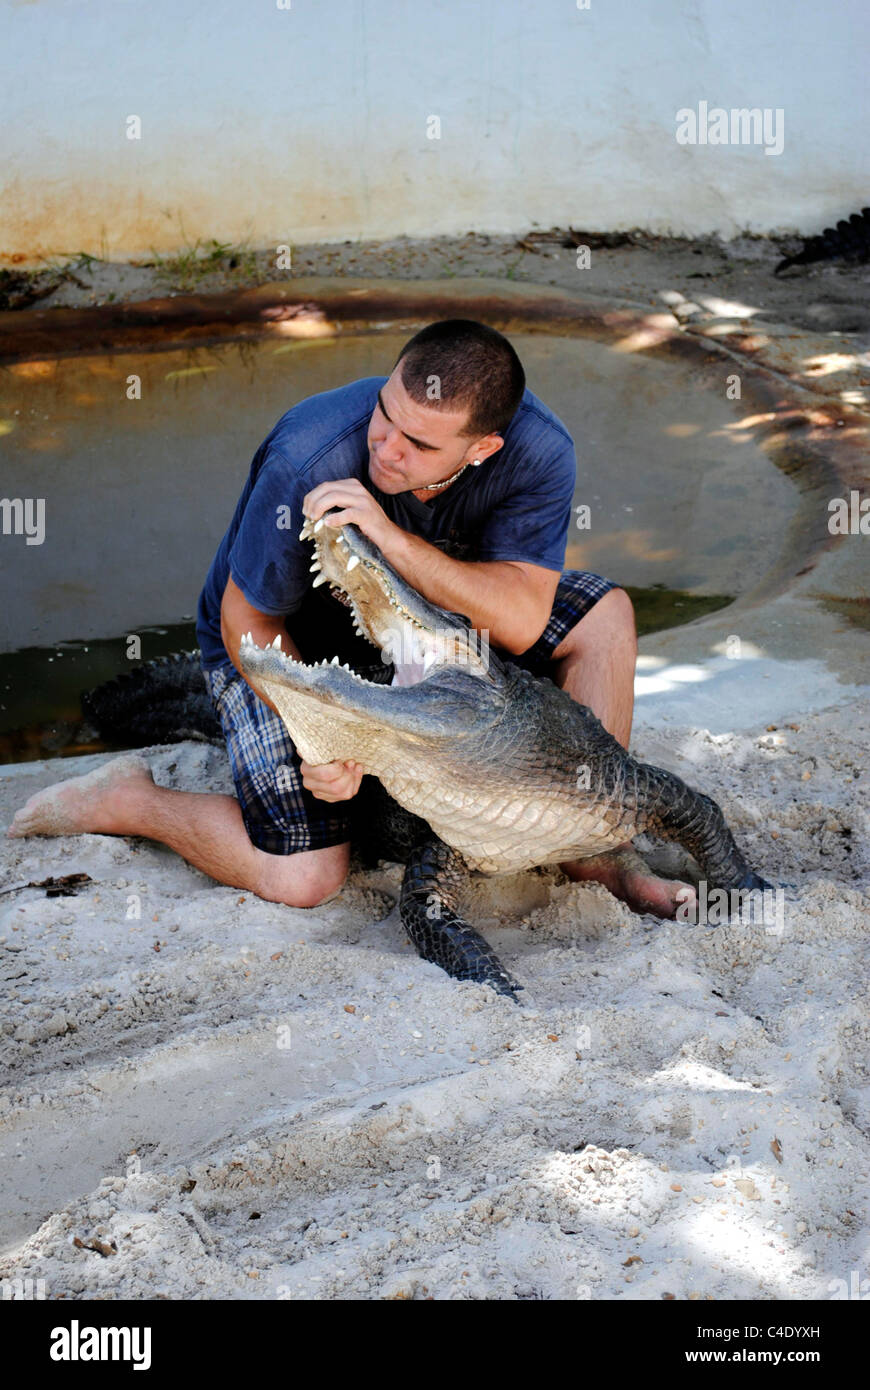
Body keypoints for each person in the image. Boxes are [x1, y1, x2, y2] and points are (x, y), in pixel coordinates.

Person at [8, 320, 692, 918]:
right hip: (286, 644)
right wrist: (324, 733)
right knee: (303, 877)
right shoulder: (308, 454)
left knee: (605, 615)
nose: (387, 450)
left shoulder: (540, 452)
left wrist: (392, 541)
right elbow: (243, 617)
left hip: (427, 633)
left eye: (420, 445)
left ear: (482, 449)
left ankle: (596, 849)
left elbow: (520, 619)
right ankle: (131, 801)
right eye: (384, 415)